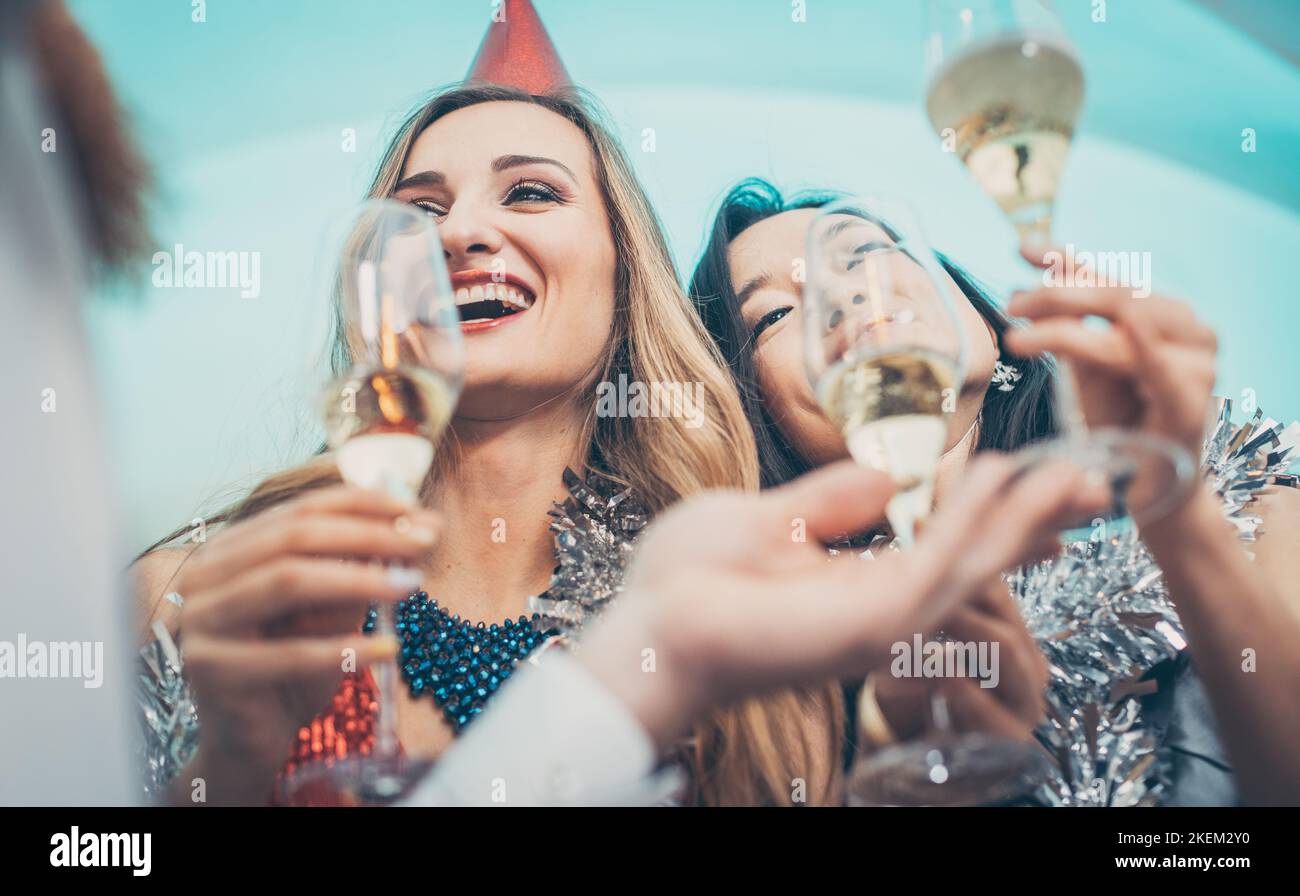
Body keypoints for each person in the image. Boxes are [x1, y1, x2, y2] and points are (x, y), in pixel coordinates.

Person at [688, 178, 1300, 805]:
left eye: (866, 254)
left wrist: (1180, 515)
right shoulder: (783, 668)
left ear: (968, 305)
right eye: (774, 316)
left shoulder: (1220, 474)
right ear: (747, 408)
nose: (840, 294)